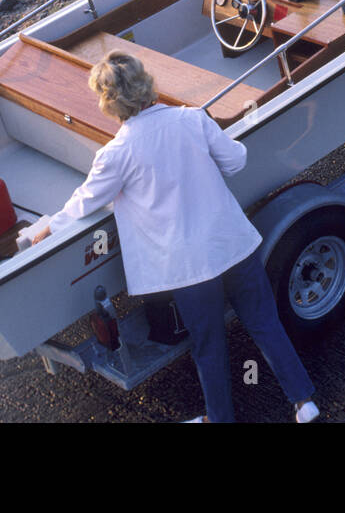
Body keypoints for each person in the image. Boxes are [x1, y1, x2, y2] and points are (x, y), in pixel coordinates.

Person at [31, 51, 318, 424]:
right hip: (232, 244)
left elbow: (84, 203)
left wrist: (48, 227)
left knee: (209, 345)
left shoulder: (115, 153)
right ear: (147, 83)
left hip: (189, 268)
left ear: (109, 101)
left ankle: (220, 419)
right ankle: (304, 404)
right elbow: (235, 161)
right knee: (265, 323)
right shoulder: (191, 118)